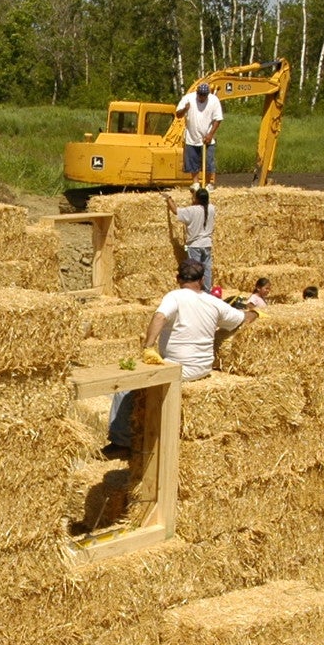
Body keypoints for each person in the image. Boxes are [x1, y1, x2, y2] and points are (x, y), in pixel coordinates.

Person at [106, 258, 246, 455]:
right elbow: (241, 319)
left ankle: (121, 443)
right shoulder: (214, 302)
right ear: (203, 280)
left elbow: (160, 317)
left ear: (178, 278)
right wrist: (256, 313)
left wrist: (148, 347)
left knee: (125, 387)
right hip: (203, 368)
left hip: (179, 368)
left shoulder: (175, 296)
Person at [174, 81, 224, 185]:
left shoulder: (214, 101)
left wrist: (210, 135)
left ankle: (207, 184)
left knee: (209, 163)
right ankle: (196, 183)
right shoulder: (188, 98)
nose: (201, 97)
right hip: (192, 137)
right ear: (197, 93)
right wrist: (185, 109)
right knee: (193, 162)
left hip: (207, 138)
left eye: (203, 95)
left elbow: (218, 119)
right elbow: (178, 114)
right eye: (199, 95)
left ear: (207, 95)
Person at [176, 187, 216, 291]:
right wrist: (195, 195)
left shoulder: (191, 210)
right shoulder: (211, 208)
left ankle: (195, 291)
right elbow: (201, 204)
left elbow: (175, 211)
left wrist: (169, 199)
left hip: (194, 246)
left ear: (197, 199)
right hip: (207, 244)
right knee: (206, 270)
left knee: (194, 270)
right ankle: (207, 292)